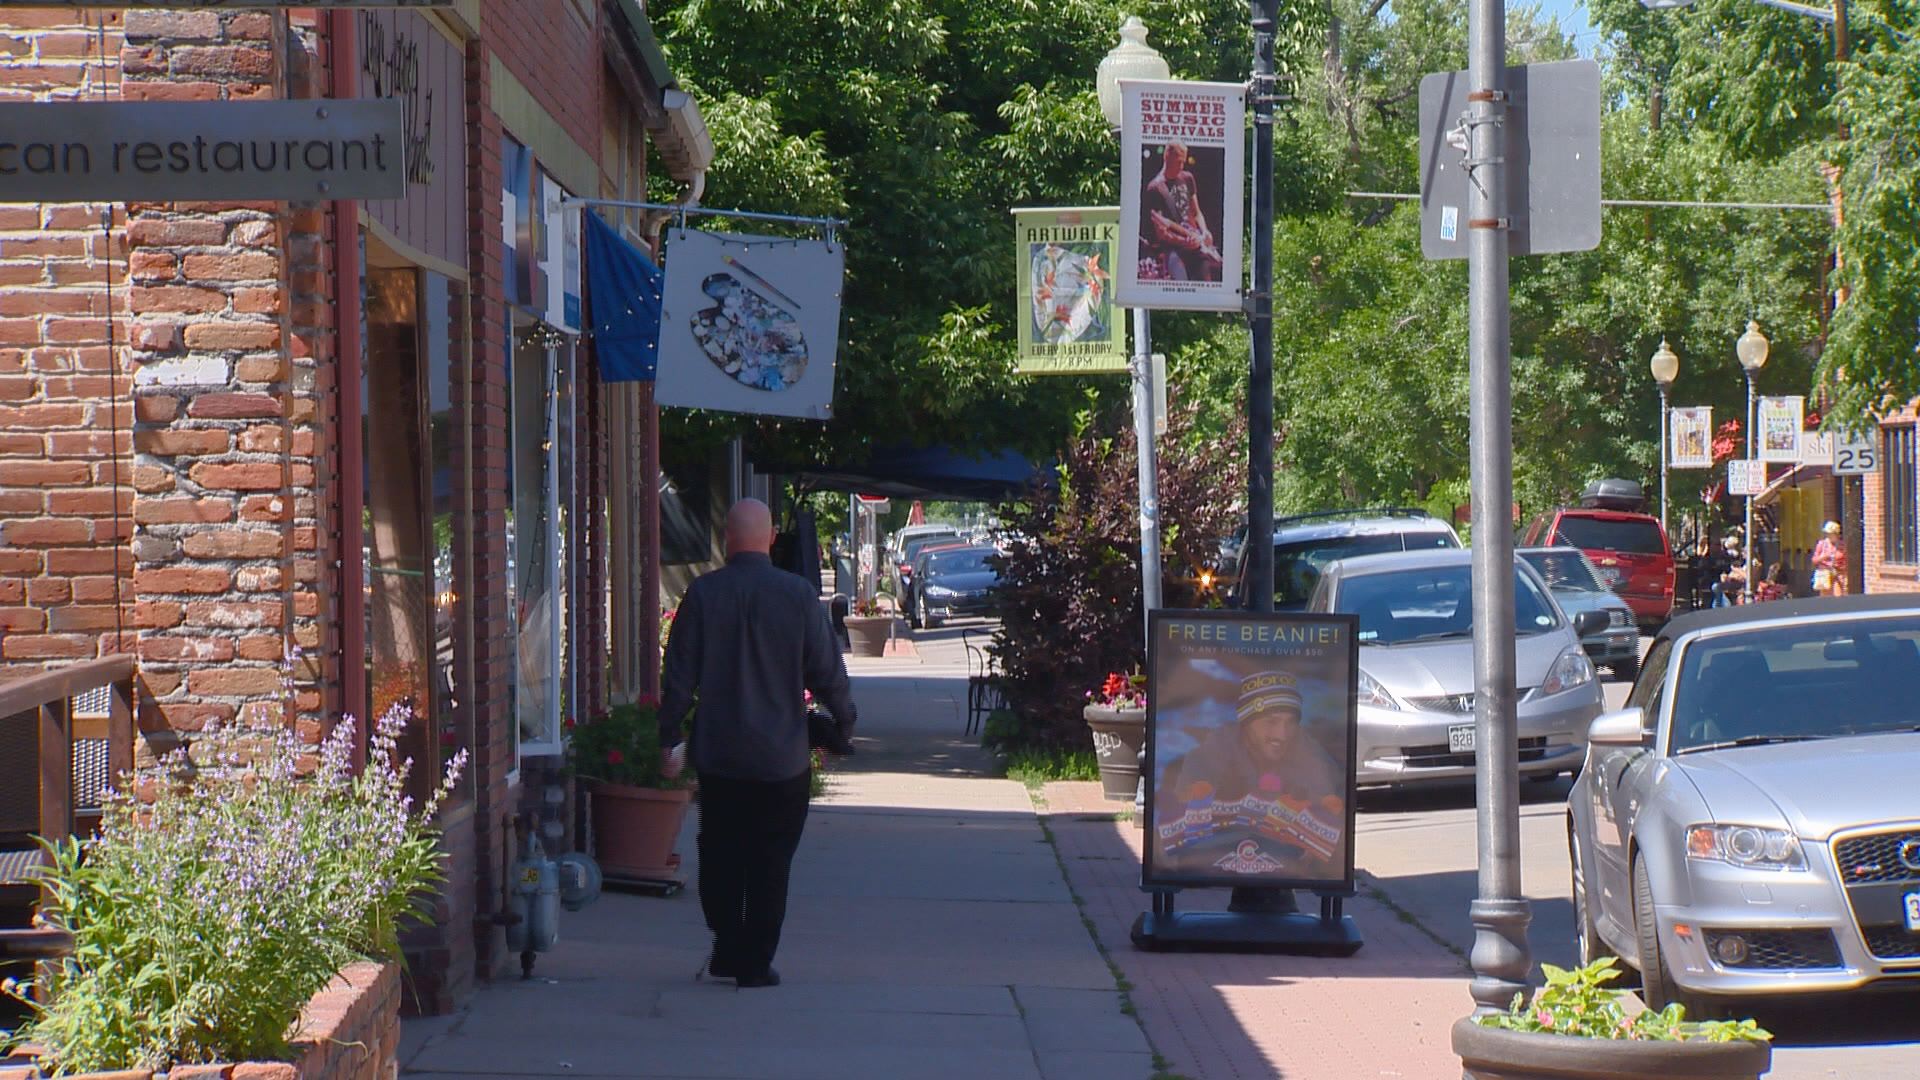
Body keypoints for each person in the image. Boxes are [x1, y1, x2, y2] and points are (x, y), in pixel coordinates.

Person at [660, 498, 856, 989]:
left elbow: (678, 678)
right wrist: (844, 723)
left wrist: (668, 736)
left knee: (721, 851)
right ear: (771, 538)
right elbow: (828, 673)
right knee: (771, 860)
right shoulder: (797, 596)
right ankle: (755, 960)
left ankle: (727, 944)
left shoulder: (702, 596)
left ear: (727, 538)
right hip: (781, 759)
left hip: (721, 755)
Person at [1155, 670, 1344, 878]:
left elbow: (1330, 806)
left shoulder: (1307, 750)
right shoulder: (1217, 747)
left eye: (1290, 723)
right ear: (1246, 722)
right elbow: (1176, 824)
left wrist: (1318, 829)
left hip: (1286, 864)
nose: (1281, 735)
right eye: (1270, 722)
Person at [1141, 141, 1222, 282]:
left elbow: (1196, 212)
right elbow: (1161, 233)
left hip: (1196, 245)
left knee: (1206, 286)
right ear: (1166, 156)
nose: (1181, 166)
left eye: (1183, 161)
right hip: (1173, 249)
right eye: (1178, 161)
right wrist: (1184, 241)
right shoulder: (1155, 188)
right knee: (1181, 287)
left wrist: (1205, 231)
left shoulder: (1187, 178)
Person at [1812, 520, 1846, 597]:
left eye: (1831, 534)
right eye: (1827, 534)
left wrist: (1842, 570)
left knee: (1838, 596)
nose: (1828, 536)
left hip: (1838, 575)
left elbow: (1845, 561)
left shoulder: (1842, 545)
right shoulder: (1822, 544)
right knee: (1825, 598)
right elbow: (1814, 560)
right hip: (1825, 575)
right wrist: (1823, 557)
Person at [1714, 536, 1748, 607]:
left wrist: (1736, 570)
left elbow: (1747, 577)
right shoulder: (1743, 562)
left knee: (1717, 587)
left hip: (1740, 584)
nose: (1742, 553)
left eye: (1744, 552)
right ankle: (1719, 607)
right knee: (1716, 586)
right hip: (1733, 581)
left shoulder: (1751, 563)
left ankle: (1721, 607)